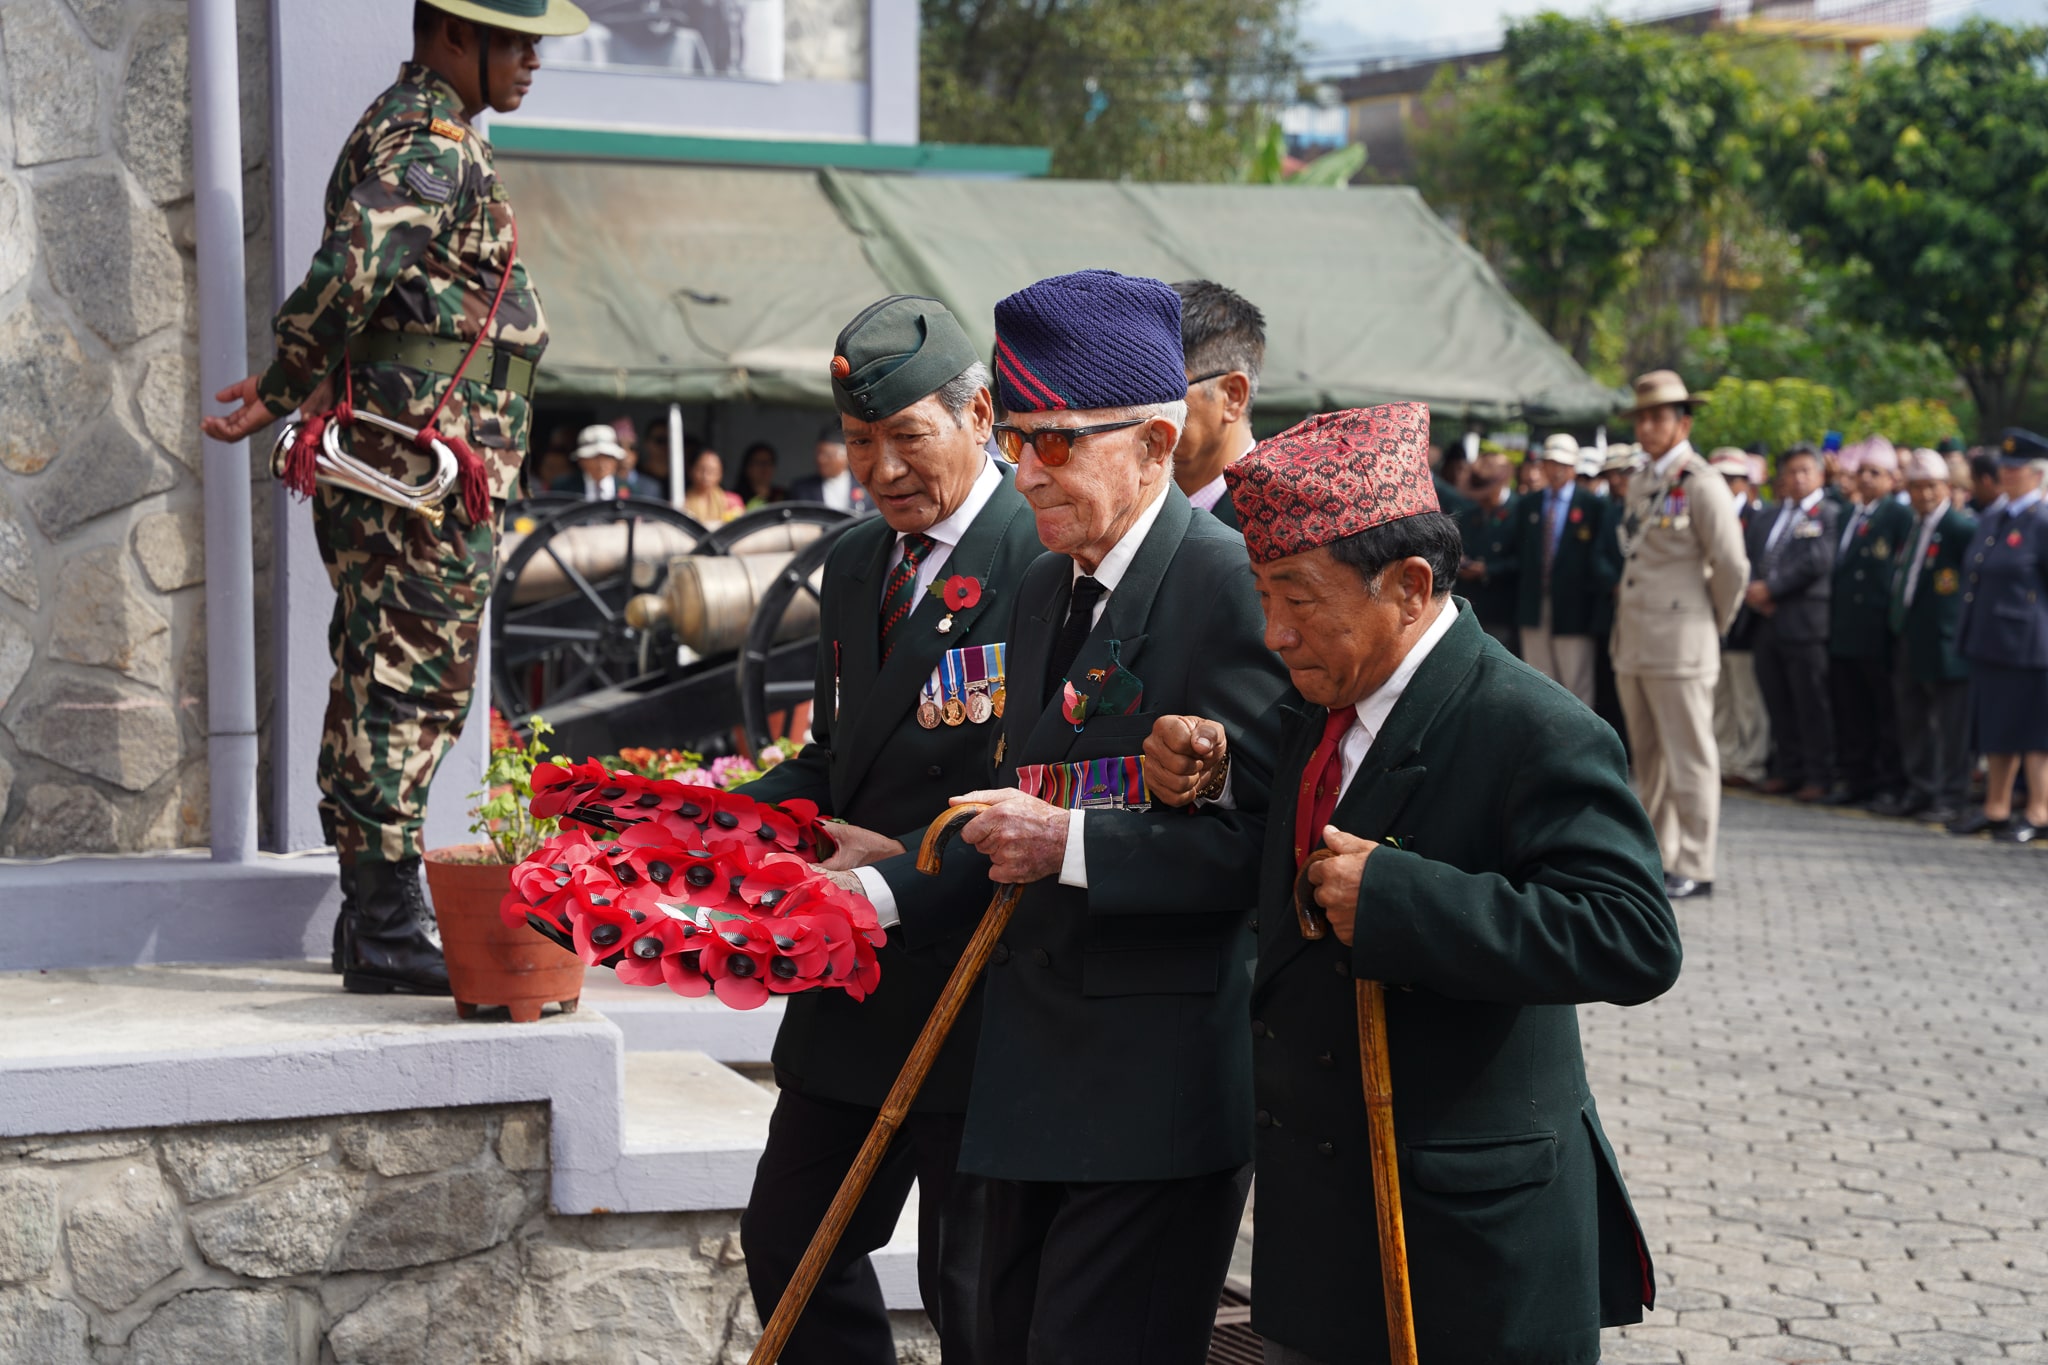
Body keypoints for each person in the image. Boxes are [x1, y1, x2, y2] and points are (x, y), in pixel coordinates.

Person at [1140, 404, 1679, 1365]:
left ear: (1411, 586)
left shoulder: (1534, 726)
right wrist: (1204, 760)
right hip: (1328, 1224)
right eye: (1264, 595)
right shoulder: (1322, 699)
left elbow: (1632, 934)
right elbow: (1264, 788)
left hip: (1465, 1234)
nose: (1274, 633)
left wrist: (1398, 900)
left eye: (1298, 598)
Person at [883, 270, 1291, 1362]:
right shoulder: (1039, 585)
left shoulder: (1227, 586)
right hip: (1023, 1069)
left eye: (1055, 443)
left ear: (1156, 445)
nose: (1022, 471)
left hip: (1150, 1088)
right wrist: (870, 895)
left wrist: (1070, 847)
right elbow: (1028, 788)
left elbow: (1260, 847)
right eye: (1015, 439)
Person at [199, 0, 588, 994]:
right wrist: (285, 381)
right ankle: (383, 921)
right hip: (420, 477)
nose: (534, 59)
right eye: (520, 39)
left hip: (417, 468)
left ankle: (372, 916)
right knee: (410, 687)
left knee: (380, 675)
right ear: (459, 34)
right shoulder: (430, 142)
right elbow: (353, 267)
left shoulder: (411, 127)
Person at [735, 297, 1045, 1364]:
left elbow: (1035, 783)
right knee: (788, 1242)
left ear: (980, 416)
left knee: (973, 1294)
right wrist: (734, 820)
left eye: (906, 436)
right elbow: (840, 751)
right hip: (854, 978)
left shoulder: (1042, 558)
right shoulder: (859, 562)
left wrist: (899, 868)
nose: (881, 468)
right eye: (860, 443)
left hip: (978, 975)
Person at [1610, 371, 1747, 900]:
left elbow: (1732, 565)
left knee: (1690, 756)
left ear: (1683, 422)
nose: (1646, 426)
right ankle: (1661, 856)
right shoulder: (1646, 480)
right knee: (1649, 759)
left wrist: (1712, 622)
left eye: (1657, 417)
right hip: (1638, 640)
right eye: (1641, 417)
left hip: (1682, 642)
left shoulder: (1702, 482)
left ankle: (1697, 860)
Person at [1949, 430, 2048, 842]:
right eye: (2004, 467)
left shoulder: (2041, 521)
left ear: (2038, 474)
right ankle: (1997, 806)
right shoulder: (1994, 516)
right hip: (1991, 638)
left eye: (2016, 468)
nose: (2007, 474)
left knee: (2034, 732)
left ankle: (2040, 811)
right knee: (1995, 728)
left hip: (2031, 645)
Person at [1876, 449, 1976, 823]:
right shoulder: (1914, 525)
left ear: (1947, 487)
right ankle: (1921, 788)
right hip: (1911, 637)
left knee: (1950, 725)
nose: (1924, 495)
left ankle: (1952, 795)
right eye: (1916, 488)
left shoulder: (1960, 527)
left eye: (1931, 487)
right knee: (1913, 719)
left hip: (1947, 641)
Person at [1747, 446, 1839, 802]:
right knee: (1777, 699)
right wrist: (1755, 589)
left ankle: (1818, 774)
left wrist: (1771, 588)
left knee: (1810, 702)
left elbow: (1816, 561)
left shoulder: (1828, 513)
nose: (1798, 478)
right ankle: (1788, 768)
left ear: (1819, 475)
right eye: (1792, 471)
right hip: (1766, 621)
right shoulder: (1769, 516)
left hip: (1805, 621)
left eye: (1806, 471)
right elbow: (1752, 554)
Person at [1825, 439, 1914, 807]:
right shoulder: (1848, 513)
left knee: (1883, 714)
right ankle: (1857, 779)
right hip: (1845, 629)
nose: (1865, 478)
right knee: (1851, 710)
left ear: (1893, 479)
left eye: (1874, 472)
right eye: (1861, 471)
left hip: (1877, 631)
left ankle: (1887, 784)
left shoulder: (1897, 514)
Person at [1516, 433, 1613, 708]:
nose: (1557, 470)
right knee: (1536, 678)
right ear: (1543, 465)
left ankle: (1580, 747)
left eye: (1563, 464)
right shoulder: (1529, 505)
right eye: (1551, 463)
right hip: (1534, 604)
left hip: (1574, 607)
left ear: (1573, 467)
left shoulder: (1593, 505)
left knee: (1576, 682)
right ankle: (1541, 745)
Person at [1171, 280, 1264, 529]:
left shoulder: (1282, 523)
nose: (1142, 408)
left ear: (1233, 396)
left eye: (1165, 390)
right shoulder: (1117, 517)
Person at [1709, 448, 1771, 789]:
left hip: (1745, 619)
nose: (1726, 484)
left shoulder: (1756, 517)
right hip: (1713, 618)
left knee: (1747, 697)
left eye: (1732, 479)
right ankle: (1725, 756)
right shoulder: (1709, 514)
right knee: (1720, 697)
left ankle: (1751, 761)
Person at [1454, 448, 1521, 656]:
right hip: (1473, 606)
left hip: (1503, 609)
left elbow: (1524, 561)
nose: (1480, 499)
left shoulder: (1519, 511)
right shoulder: (1471, 513)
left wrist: (1487, 569)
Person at [791, 422, 873, 514]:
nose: (820, 460)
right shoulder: (802, 489)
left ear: (845, 457)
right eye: (818, 454)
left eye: (827, 455)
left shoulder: (866, 487)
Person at [551, 422, 628, 499]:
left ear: (616, 460)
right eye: (594, 457)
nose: (601, 463)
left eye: (608, 457)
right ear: (581, 461)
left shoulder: (629, 488)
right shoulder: (563, 487)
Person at [681, 441, 743, 523]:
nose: (706, 476)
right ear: (690, 470)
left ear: (721, 473)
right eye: (701, 469)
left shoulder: (732, 502)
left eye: (712, 471)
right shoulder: (681, 502)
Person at [738, 439, 788, 506]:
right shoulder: (737, 498)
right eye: (758, 463)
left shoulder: (783, 496)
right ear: (747, 467)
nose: (764, 467)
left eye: (768, 462)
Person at [1966, 451, 2002, 516]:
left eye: (1974, 481)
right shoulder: (1977, 507)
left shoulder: (2010, 512)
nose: (1972, 488)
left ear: (1986, 480)